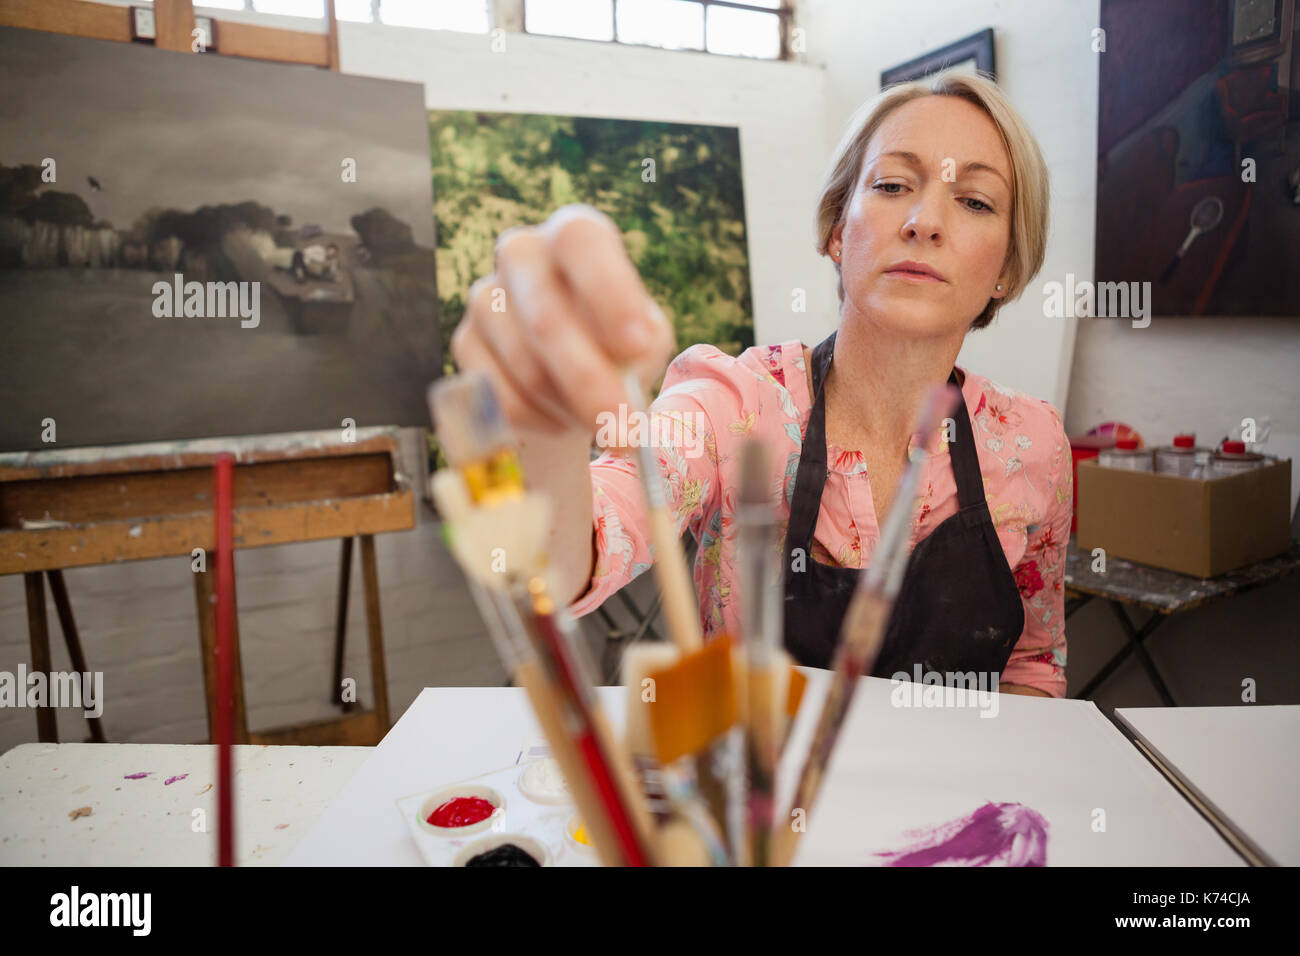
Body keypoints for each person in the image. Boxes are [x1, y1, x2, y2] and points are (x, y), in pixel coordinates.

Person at [451, 73, 1070, 697]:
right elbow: (563, 569)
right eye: (891, 185)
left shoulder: (1034, 444)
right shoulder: (732, 404)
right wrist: (540, 438)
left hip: (957, 794)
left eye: (975, 201)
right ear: (836, 231)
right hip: (757, 790)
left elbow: (1033, 665)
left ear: (1008, 269)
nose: (925, 220)